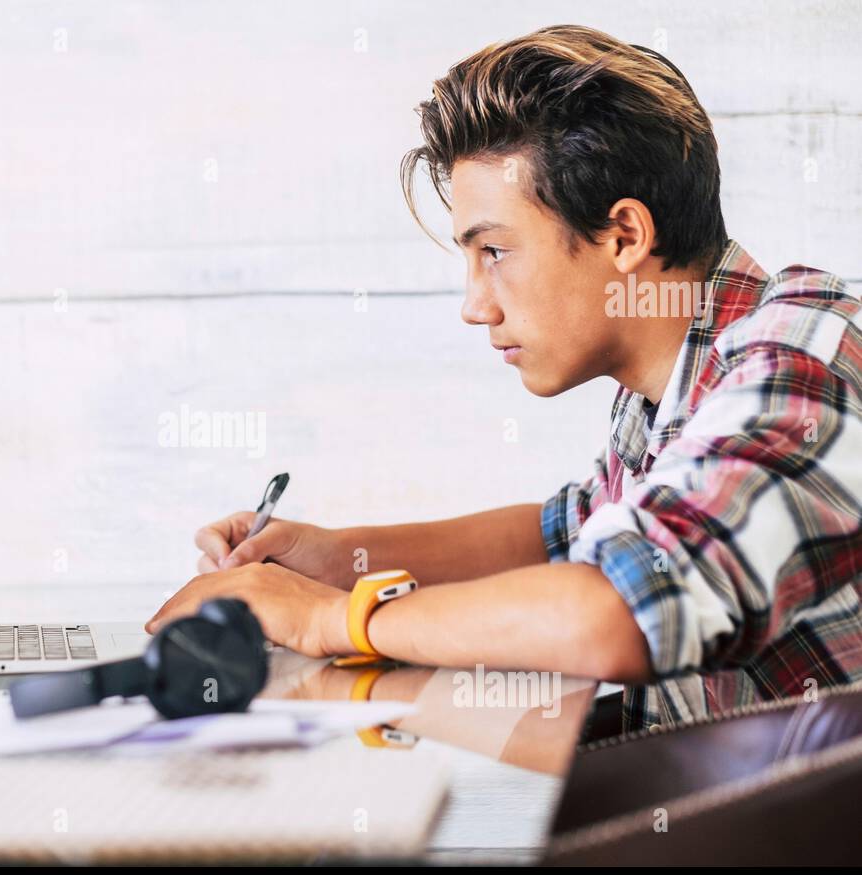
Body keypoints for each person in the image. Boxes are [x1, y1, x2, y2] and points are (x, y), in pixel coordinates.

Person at [146, 24, 862, 734]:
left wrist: (330, 618)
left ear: (623, 237)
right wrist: (335, 557)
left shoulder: (801, 356)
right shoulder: (677, 376)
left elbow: (616, 611)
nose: (474, 305)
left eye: (494, 250)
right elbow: (563, 537)